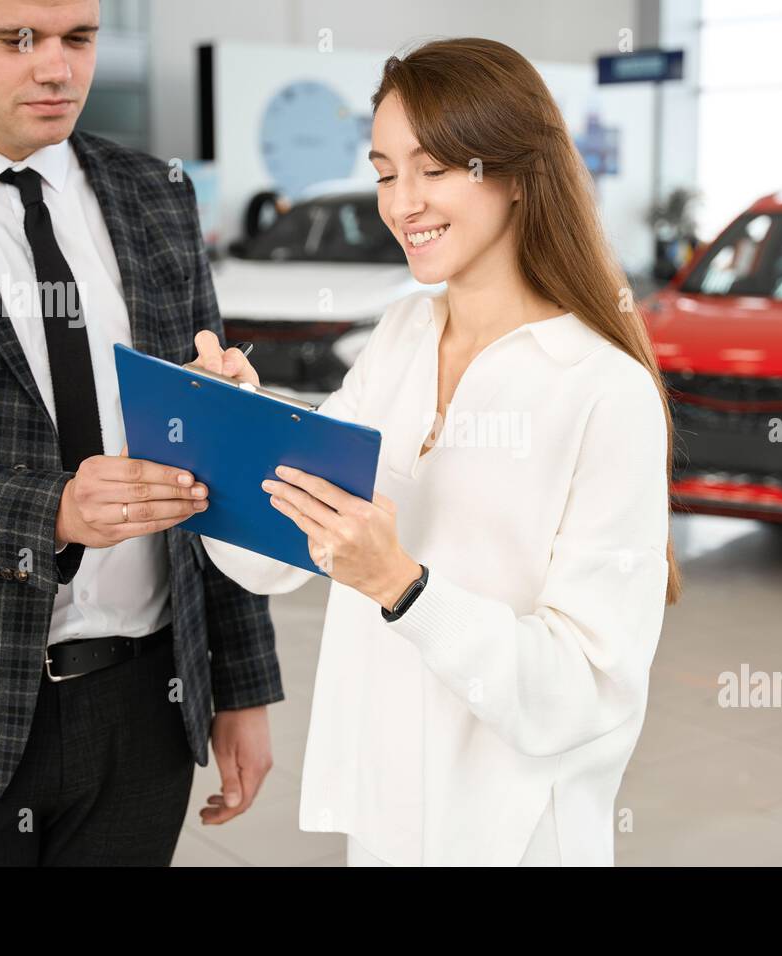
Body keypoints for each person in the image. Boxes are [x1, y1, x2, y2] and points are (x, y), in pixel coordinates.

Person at [193, 37, 681, 866]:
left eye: (435, 168)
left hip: (518, 833)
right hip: (387, 816)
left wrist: (401, 586)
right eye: (385, 172)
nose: (401, 202)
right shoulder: (400, 338)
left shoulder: (604, 391)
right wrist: (220, 431)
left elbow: (585, 690)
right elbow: (275, 559)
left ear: (519, 172)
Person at [0, 0, 280, 865]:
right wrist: (52, 513)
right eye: (18, 40)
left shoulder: (155, 195)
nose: (57, 68)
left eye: (80, 37)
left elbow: (214, 448)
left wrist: (240, 686)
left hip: (144, 706)